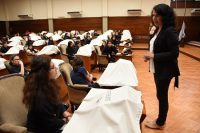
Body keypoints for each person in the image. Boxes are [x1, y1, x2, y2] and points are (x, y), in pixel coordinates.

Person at [144, 4, 180, 129]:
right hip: (157, 68)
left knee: (162, 96)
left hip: (166, 70)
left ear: (165, 16)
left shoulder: (169, 30)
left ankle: (160, 123)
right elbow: (157, 48)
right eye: (153, 15)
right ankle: (160, 120)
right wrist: (150, 56)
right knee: (160, 95)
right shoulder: (158, 28)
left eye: (157, 15)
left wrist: (153, 56)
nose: (154, 18)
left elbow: (174, 53)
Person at [23, 55, 72, 133]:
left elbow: (57, 101)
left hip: (53, 123)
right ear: (43, 73)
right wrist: (65, 120)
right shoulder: (38, 96)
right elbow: (50, 125)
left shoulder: (49, 83)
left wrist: (64, 112)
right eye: (52, 67)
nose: (56, 69)